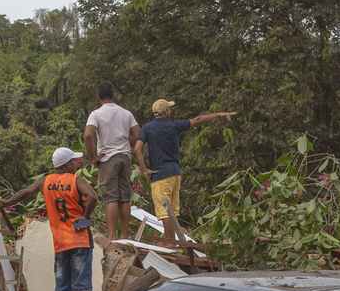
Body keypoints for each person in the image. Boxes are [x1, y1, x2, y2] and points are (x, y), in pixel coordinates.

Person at [4, 147, 98, 291]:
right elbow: (93, 197)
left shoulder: (45, 181)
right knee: (79, 287)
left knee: (62, 287)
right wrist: (84, 217)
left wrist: (5, 203)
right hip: (79, 241)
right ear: (67, 164)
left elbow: (26, 192)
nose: (76, 163)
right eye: (74, 161)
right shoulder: (75, 180)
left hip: (61, 243)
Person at [134, 98, 235, 242]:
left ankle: (169, 243)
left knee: (164, 212)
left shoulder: (147, 128)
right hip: (175, 173)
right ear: (167, 112)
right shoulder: (174, 125)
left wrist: (144, 170)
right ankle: (173, 241)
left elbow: (137, 149)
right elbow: (198, 119)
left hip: (160, 174)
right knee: (172, 211)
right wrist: (219, 114)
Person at [83, 83, 140, 240]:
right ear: (113, 95)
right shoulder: (126, 113)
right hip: (125, 157)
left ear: (99, 97)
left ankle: (112, 236)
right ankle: (125, 235)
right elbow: (137, 132)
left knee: (111, 197)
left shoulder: (96, 114)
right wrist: (128, 143)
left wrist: (93, 157)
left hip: (108, 158)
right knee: (125, 197)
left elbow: (88, 135)